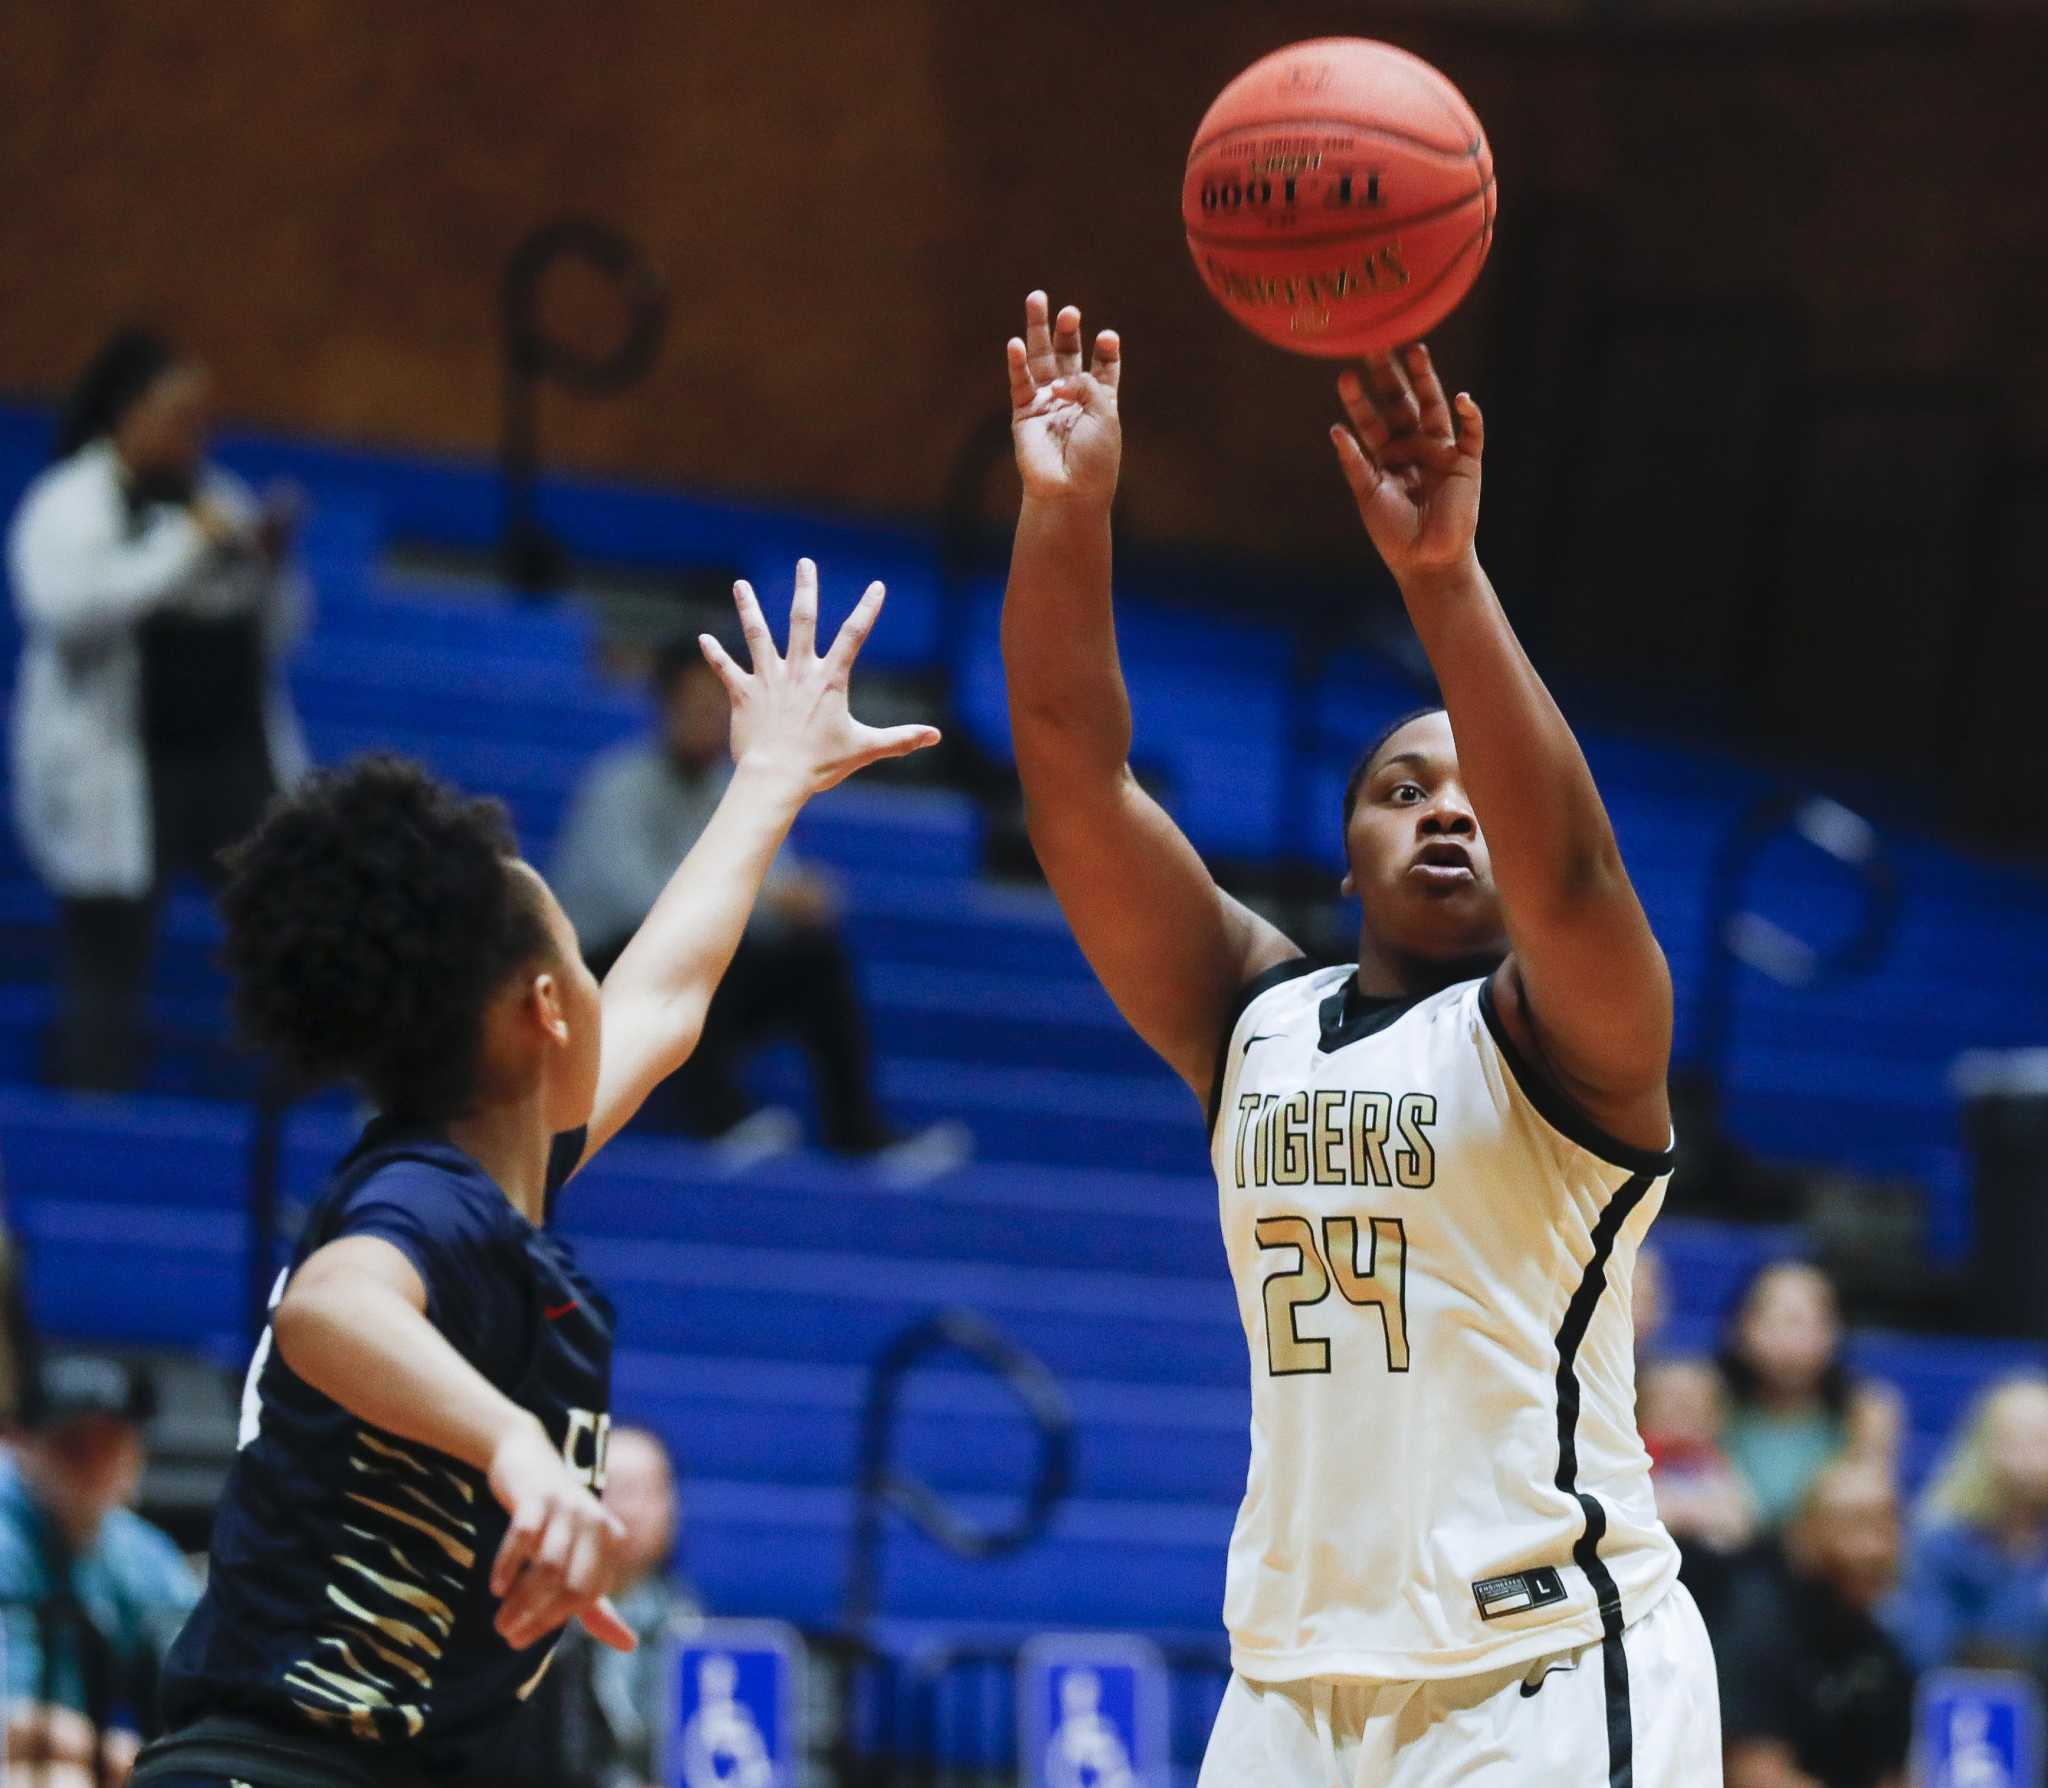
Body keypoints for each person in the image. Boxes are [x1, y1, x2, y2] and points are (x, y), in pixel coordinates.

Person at [999, 289, 1717, 1785]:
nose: (1446, 807)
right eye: (1400, 788)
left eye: (1470, 793)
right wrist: (1066, 512)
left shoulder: (1578, 1038)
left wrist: (1444, 579)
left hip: (1546, 1676)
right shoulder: (1248, 1017)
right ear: (1344, 861)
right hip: (1290, 1686)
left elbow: (1576, 872)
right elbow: (1071, 778)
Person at [131, 562, 936, 1788]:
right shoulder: (418, 1204)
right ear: (550, 1010)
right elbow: (326, 1308)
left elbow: (667, 996)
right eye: (576, 944)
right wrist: (514, 1447)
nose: (609, 985)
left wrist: (768, 781)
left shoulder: (494, 1177)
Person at [7, 327, 312, 1091]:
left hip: (229, 758)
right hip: (125, 764)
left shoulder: (220, 497)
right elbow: (65, 611)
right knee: (108, 951)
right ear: (125, 413)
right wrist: (181, 550)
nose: (193, 436)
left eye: (200, 419)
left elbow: (277, 630)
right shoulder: (67, 504)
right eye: (177, 416)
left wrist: (269, 564)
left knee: (286, 927)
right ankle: (93, 1109)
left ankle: (293, 1103)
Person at [552, 637, 968, 1177]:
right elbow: (634, 900)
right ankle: (719, 1117)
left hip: (708, 974)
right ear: (664, 706)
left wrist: (801, 900)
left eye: (717, 708)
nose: (707, 719)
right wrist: (761, 899)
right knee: (703, 945)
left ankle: (858, 1131)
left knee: (815, 958)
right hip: (607, 980)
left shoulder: (738, 788)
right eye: (695, 706)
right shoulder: (616, 786)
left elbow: (774, 885)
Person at [0, 1351, 201, 1788]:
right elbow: (8, 1722)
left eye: (109, 1442)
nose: (92, 1463)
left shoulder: (135, 1548)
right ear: (18, 1443)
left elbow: (202, 1664)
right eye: (71, 1443)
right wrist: (113, 1751)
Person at [501, 1426, 701, 1788]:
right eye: (616, 1489)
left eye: (646, 1492)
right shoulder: (527, 1632)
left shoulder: (701, 1633)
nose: (630, 1510)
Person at [1717, 1460, 1913, 1788]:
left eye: (1886, 1524)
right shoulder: (1756, 1618)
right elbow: (1749, 1771)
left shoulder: (1881, 1636)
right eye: (1854, 1524)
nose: (1875, 1548)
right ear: (1804, 1532)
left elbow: (1892, 1772)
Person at [1716, 1260, 1900, 1531]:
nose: (1789, 1338)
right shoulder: (1710, 1400)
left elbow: (1866, 1519)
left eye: (1805, 1321)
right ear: (1739, 1327)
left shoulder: (1866, 1411)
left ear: (1836, 1331)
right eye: (1774, 1319)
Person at [1894, 1371, 2048, 1678]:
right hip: (1964, 1706)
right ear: (1980, 1448)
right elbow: (1928, 1650)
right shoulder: (1939, 1540)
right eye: (2013, 1440)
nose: (2028, 1457)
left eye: (2041, 1441)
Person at [1640, 1356, 1758, 1631]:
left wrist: (1679, 1512)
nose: (1681, 1411)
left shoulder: (1717, 1465)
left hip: (1713, 1593)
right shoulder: (1631, 1462)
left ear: (1717, 1417)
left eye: (1694, 1405)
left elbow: (1741, 1528)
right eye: (1669, 1403)